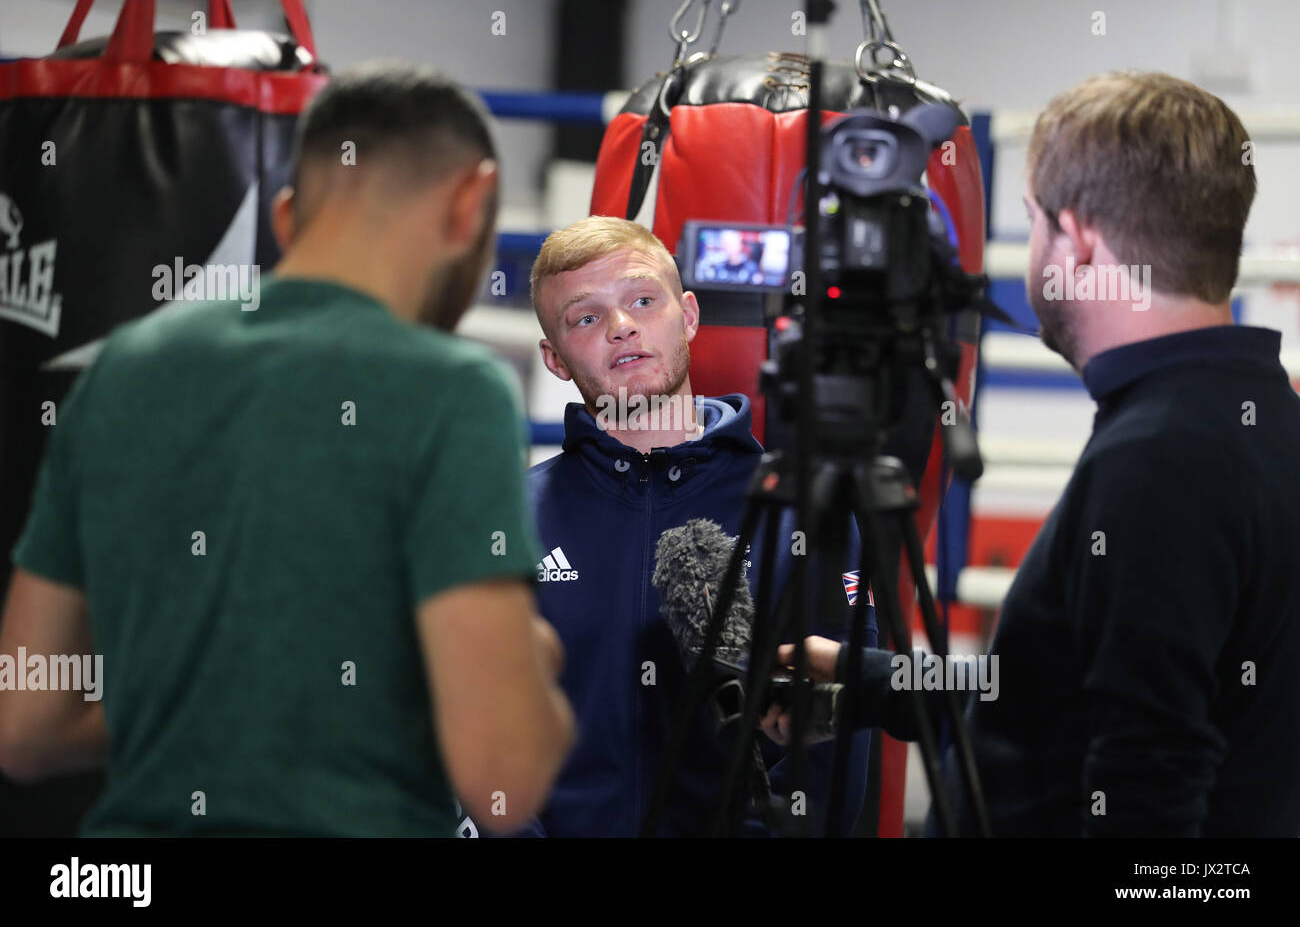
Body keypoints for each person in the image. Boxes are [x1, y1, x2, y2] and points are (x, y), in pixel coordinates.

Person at [0, 61, 574, 837]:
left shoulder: (121, 369)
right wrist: (529, 668)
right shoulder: (452, 389)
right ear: (469, 203)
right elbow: (502, 778)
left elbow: (25, 725)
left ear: (283, 217)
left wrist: (229, 707)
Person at [762, 71, 1300, 837]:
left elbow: (1149, 793)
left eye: (1035, 223)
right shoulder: (1248, 413)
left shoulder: (1162, 459)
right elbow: (1067, 701)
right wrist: (872, 678)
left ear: (1077, 239)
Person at [521, 215, 875, 837]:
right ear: (555, 358)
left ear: (687, 315)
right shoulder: (514, 515)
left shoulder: (803, 509)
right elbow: (472, 723)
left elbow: (834, 739)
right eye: (586, 318)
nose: (621, 326)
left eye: (641, 300)